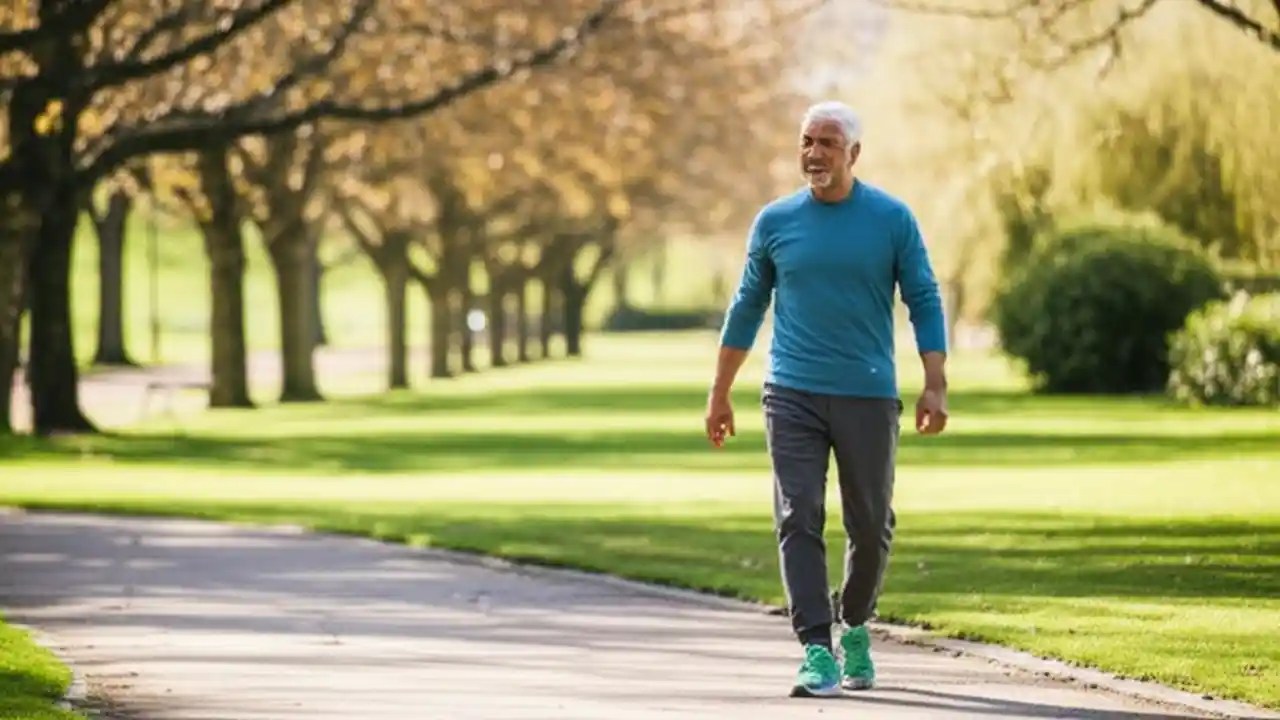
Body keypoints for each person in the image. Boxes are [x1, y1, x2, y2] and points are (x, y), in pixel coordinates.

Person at [704, 100, 949, 698]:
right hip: (790, 391)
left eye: (828, 143)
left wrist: (934, 380)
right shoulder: (774, 222)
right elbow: (746, 308)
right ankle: (816, 647)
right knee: (797, 516)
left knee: (871, 524)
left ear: (854, 154)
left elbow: (923, 297)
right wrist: (720, 392)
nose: (814, 153)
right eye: (807, 141)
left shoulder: (892, 219)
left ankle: (856, 623)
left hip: (866, 393)